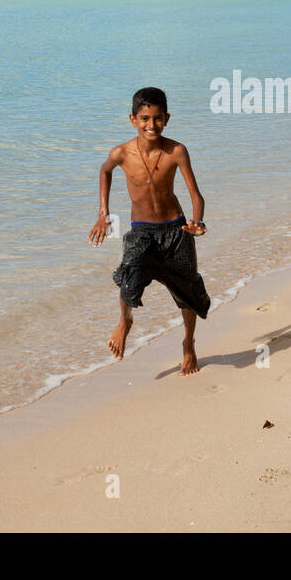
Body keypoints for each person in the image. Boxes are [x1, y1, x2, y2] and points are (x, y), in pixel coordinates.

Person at [88, 87, 210, 375]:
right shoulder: (121, 153)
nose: (151, 125)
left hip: (175, 229)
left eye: (157, 118)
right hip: (141, 230)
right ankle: (125, 321)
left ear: (167, 118)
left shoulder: (176, 151)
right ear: (133, 119)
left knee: (188, 291)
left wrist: (197, 223)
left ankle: (189, 343)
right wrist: (102, 215)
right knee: (128, 278)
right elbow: (104, 172)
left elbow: (197, 196)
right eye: (144, 118)